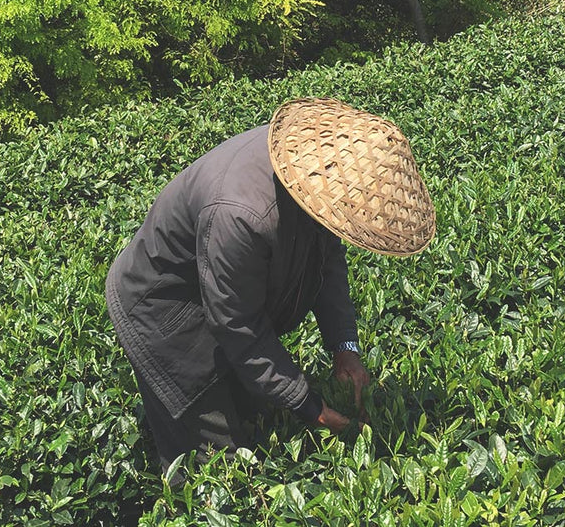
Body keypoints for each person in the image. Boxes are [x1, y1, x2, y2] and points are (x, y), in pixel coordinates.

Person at [105, 96, 436, 473]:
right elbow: (238, 326)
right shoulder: (240, 215)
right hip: (164, 317)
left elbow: (327, 261)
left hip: (219, 298)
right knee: (218, 470)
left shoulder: (318, 177)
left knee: (256, 416)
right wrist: (311, 407)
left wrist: (345, 347)